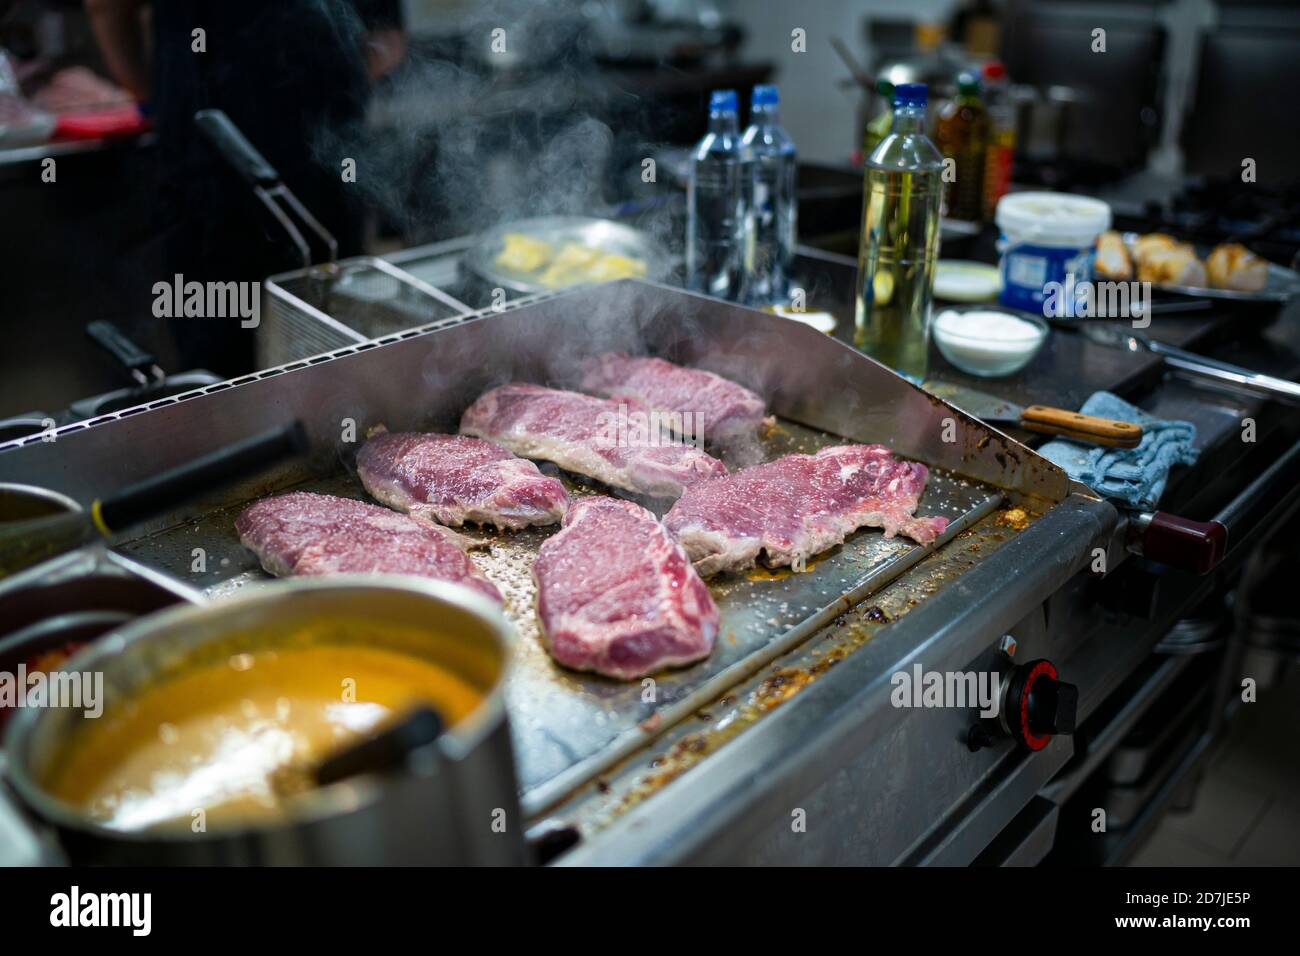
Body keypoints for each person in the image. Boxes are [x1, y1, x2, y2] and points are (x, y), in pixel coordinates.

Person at [83, 0, 406, 374]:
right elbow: (387, 43)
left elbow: (104, 7)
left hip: (204, 155)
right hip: (319, 158)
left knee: (219, 380)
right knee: (334, 357)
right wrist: (327, 83)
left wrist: (158, 92)